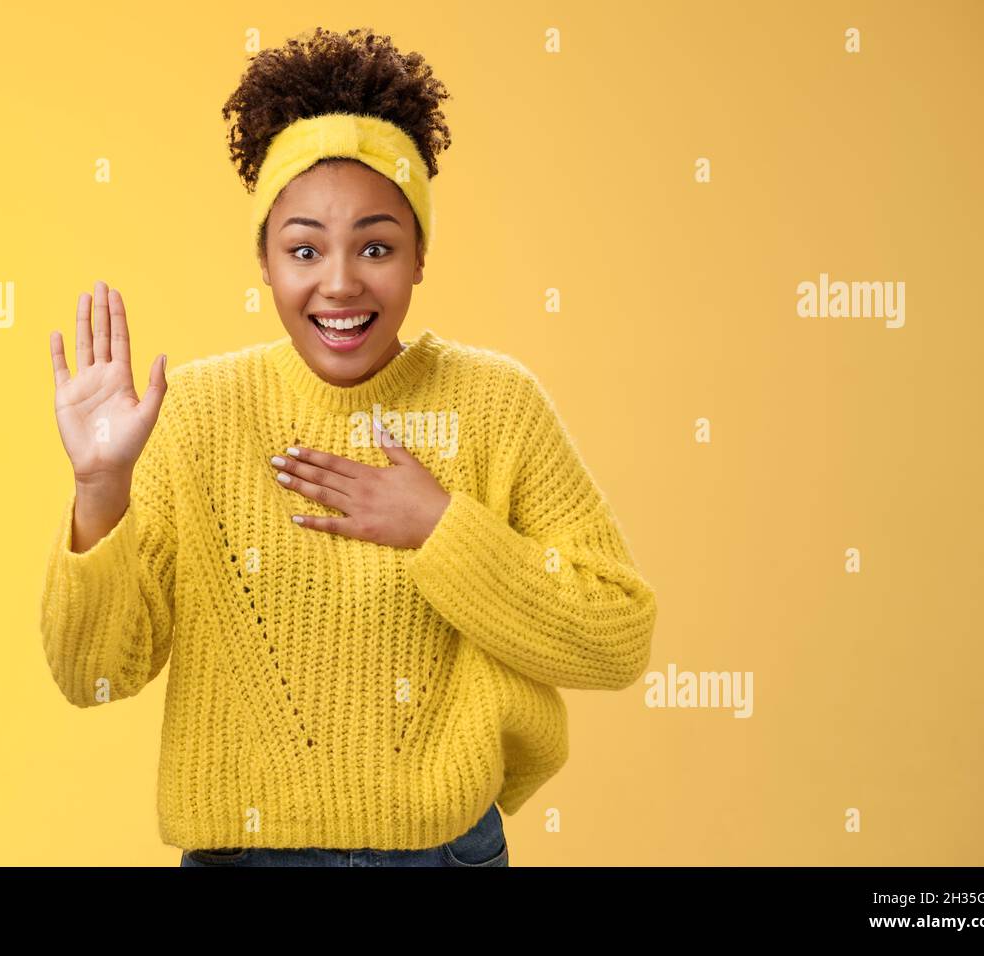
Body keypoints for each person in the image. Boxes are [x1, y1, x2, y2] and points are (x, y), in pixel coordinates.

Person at [40, 26, 657, 867]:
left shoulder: (495, 403)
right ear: (264, 261)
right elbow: (95, 678)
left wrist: (440, 527)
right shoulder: (199, 414)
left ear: (419, 257)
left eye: (376, 246)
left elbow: (616, 636)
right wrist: (102, 486)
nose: (339, 282)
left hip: (442, 853)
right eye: (304, 249)